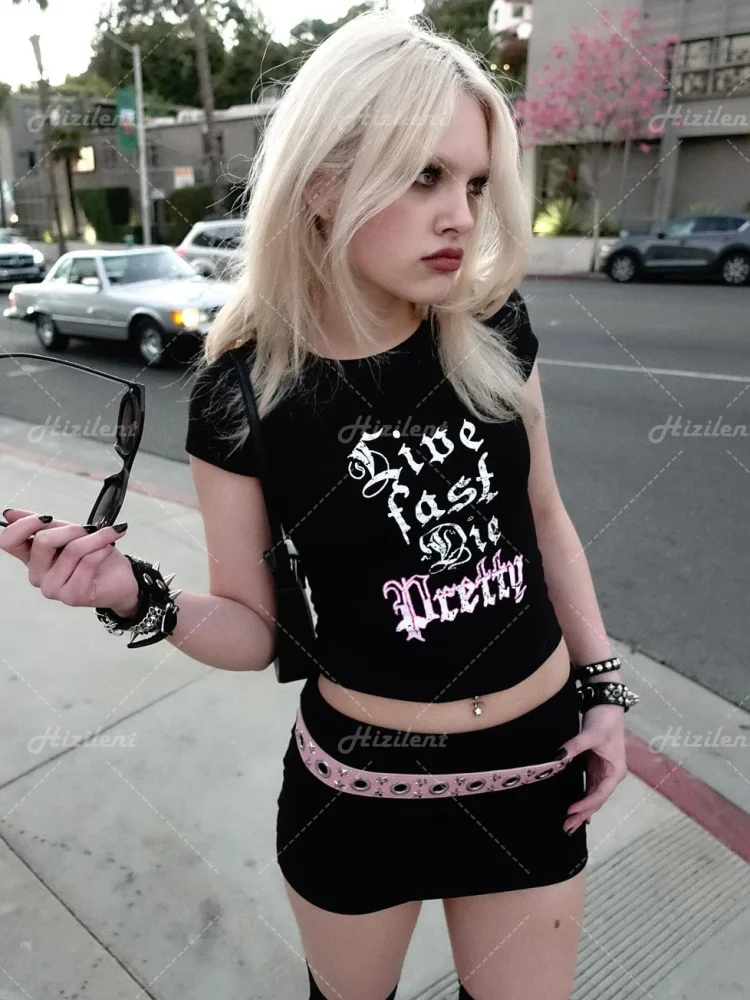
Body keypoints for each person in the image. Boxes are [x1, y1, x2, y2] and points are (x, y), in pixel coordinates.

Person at [0, 11, 638, 1000]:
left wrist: (603, 690)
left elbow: (545, 518)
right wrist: (132, 593)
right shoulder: (244, 398)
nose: (460, 215)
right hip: (362, 795)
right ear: (322, 185)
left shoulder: (494, 329)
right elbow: (252, 627)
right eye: (424, 176)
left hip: (534, 771)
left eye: (475, 183)